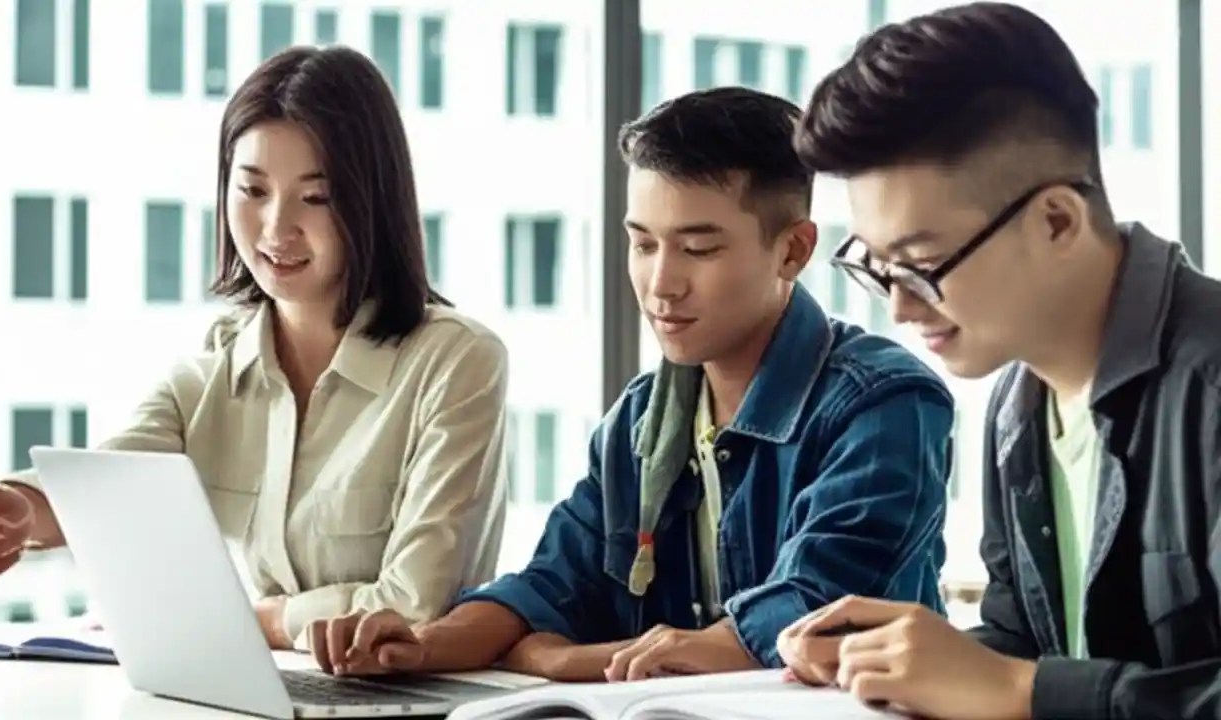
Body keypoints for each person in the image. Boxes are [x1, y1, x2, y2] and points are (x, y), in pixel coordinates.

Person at [305, 87, 955, 683]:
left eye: (698, 250)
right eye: (643, 244)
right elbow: (555, 581)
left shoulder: (885, 404)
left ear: (793, 250)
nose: (661, 283)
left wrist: (560, 659)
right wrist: (425, 644)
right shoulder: (641, 418)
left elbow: (801, 622)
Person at [0, 46, 509, 651]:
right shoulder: (214, 368)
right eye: (253, 189)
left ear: (373, 200)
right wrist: (23, 510)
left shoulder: (456, 362)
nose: (276, 228)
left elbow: (414, 602)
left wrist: (261, 620)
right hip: (271, 692)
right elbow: (112, 481)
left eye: (316, 197)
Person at [776, 3, 1221, 719]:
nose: (900, 308)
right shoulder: (1020, 402)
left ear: (1056, 222)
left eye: (921, 265)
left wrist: (1017, 690)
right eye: (878, 267)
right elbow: (1026, 647)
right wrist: (897, 657)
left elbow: (1029, 686)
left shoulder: (1210, 384)